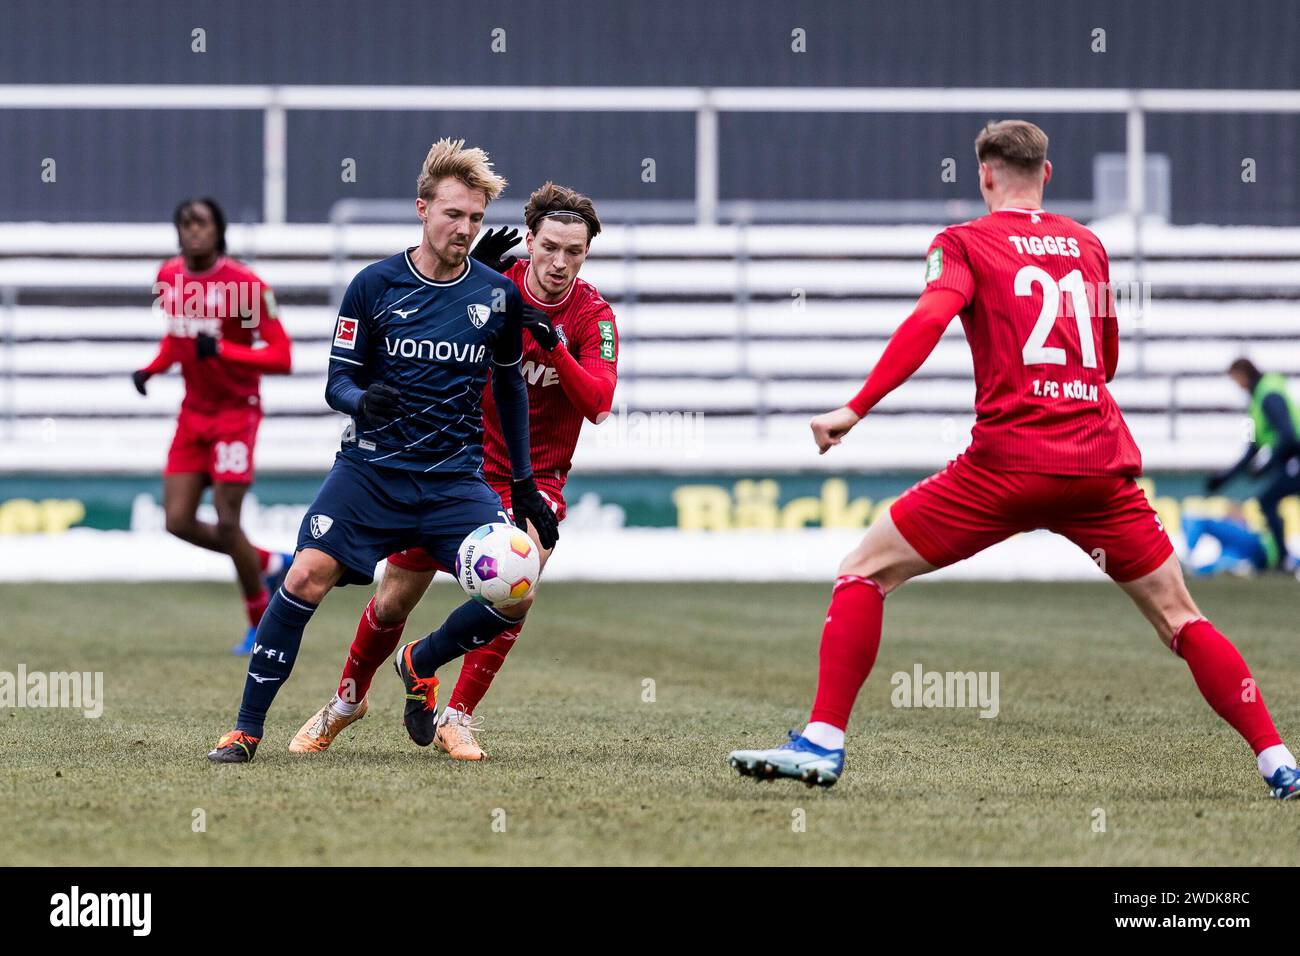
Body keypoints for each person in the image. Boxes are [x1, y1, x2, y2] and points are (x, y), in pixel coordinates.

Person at [727, 120, 1299, 800]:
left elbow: (929, 321)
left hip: (1005, 467)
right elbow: (1106, 362)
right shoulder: (1089, 247)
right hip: (1097, 469)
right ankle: (1278, 760)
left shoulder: (962, 242)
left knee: (864, 571)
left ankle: (823, 740)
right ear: (1047, 175)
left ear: (985, 175)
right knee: (1181, 617)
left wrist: (857, 407)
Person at [205, 139, 558, 763]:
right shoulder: (374, 284)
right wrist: (359, 400)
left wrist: (525, 483)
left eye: (475, 218)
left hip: (454, 481)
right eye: (453, 214)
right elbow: (335, 380)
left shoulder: (494, 297)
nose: (465, 228)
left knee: (518, 586)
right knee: (305, 575)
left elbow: (508, 389)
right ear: (422, 209)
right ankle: (245, 729)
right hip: (370, 473)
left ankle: (421, 660)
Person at [288, 183, 618, 761]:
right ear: (530, 240)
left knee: (521, 579)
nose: (560, 262)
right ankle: (346, 701)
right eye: (549, 248)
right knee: (393, 602)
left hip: (532, 478)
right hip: (451, 467)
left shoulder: (594, 316)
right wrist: (467, 292)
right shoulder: (491, 286)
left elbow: (598, 401)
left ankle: (453, 710)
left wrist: (556, 347)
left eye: (575, 252)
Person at [133, 197, 293, 654]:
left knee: (227, 524)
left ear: (218, 230)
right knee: (177, 520)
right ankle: (269, 561)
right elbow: (178, 337)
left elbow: (281, 356)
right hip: (193, 415)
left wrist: (225, 351)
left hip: (235, 413)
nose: (192, 231)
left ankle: (258, 621)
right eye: (184, 223)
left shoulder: (246, 285)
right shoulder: (169, 277)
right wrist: (153, 368)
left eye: (201, 223)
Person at [1205, 358, 1300, 571]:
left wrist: (1264, 467)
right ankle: (1283, 559)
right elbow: (1251, 450)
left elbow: (1288, 436)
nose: (1236, 385)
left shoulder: (1269, 395)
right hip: (1293, 459)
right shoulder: (1257, 402)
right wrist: (1224, 478)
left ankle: (1284, 559)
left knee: (1267, 500)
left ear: (1243, 374)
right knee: (1268, 500)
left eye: (1235, 379)